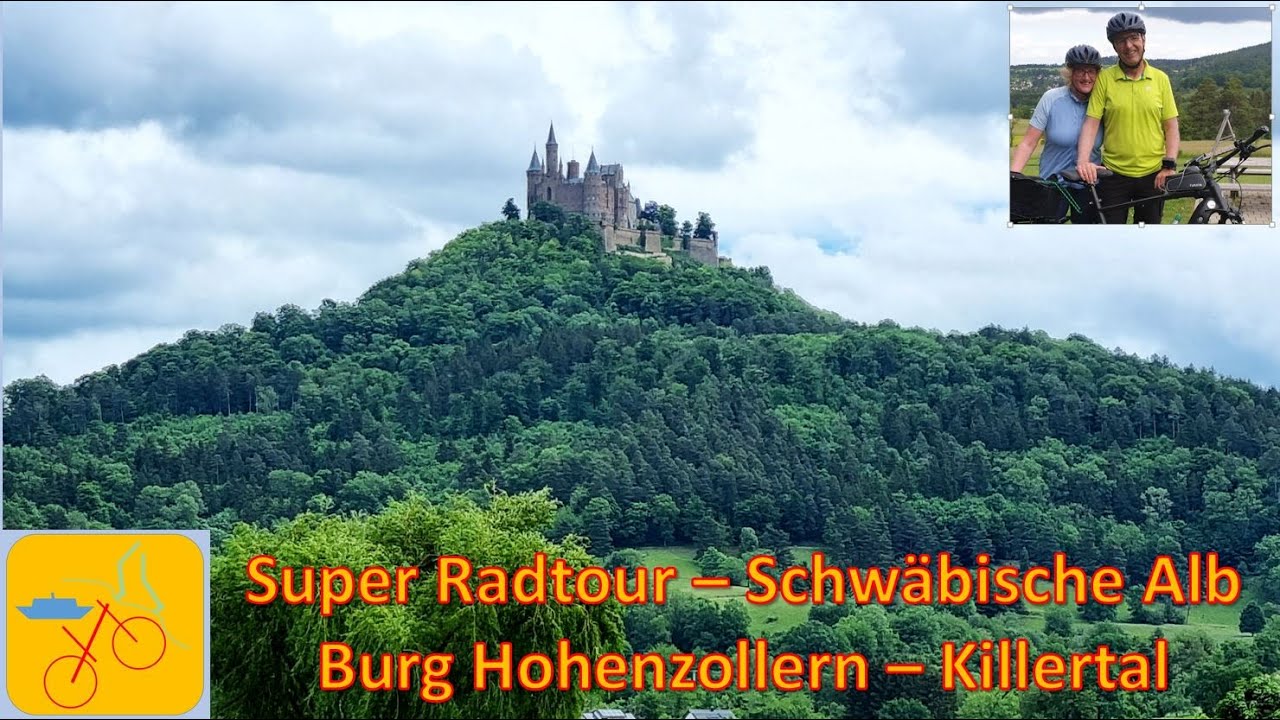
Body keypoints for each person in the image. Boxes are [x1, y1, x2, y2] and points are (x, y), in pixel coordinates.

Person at [1074, 11, 1180, 224]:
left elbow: (1171, 127)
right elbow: (1091, 123)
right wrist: (1083, 161)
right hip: (1114, 175)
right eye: (1121, 40)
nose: (1129, 45)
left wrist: (1169, 166)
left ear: (1144, 40)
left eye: (1134, 38)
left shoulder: (1160, 79)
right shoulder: (1105, 78)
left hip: (1153, 175)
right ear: (1114, 46)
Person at [1012, 44, 1107, 222]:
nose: (1086, 77)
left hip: (1088, 184)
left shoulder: (1102, 103)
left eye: (1091, 71)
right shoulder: (1051, 99)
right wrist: (1014, 175)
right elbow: (1028, 143)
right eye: (1080, 71)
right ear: (1070, 73)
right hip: (1054, 184)